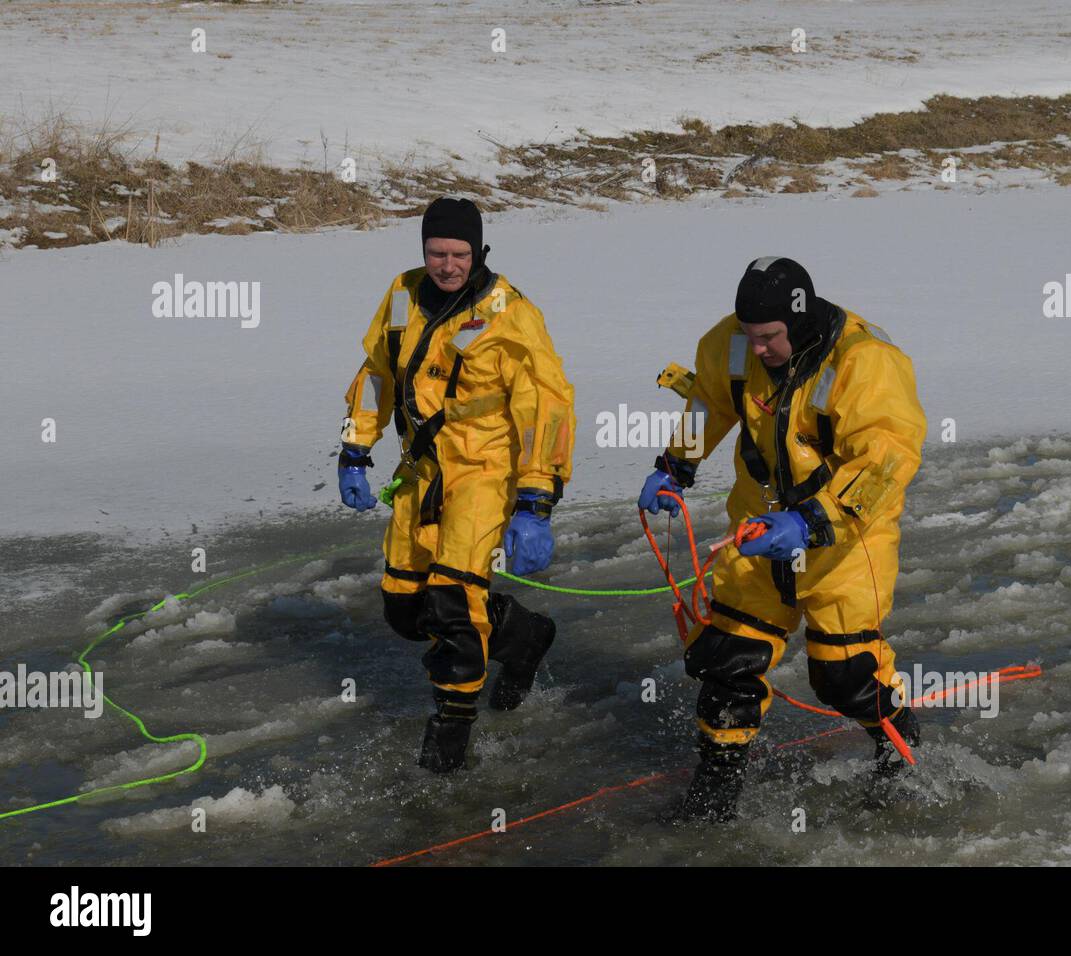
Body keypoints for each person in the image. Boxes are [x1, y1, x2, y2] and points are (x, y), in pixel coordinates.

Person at [640, 256, 927, 822]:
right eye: (750, 335)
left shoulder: (865, 363)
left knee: (845, 677)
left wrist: (811, 521)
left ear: (798, 322)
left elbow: (887, 459)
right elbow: (710, 403)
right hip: (756, 526)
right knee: (728, 659)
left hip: (847, 537)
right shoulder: (731, 343)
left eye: (769, 337)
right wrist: (675, 466)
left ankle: (903, 756)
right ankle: (715, 797)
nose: (759, 348)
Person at [338, 197, 575, 772]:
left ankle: (447, 754)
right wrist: (354, 446)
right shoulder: (401, 293)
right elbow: (376, 374)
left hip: (486, 473)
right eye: (436, 252)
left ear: (479, 251)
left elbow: (547, 407)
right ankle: (523, 635)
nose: (447, 265)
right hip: (421, 472)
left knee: (454, 605)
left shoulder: (510, 313)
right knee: (403, 609)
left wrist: (536, 498)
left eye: (459, 254)